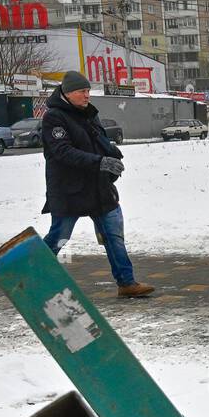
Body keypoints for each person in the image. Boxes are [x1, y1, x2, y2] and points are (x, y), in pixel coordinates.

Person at [40, 70, 153, 297]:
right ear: (68, 93)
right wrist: (100, 162)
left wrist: (111, 154)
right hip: (68, 189)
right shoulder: (54, 117)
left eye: (88, 91)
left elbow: (96, 141)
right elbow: (63, 152)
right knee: (59, 237)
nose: (87, 95)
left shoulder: (89, 113)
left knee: (113, 235)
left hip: (97, 187)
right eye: (82, 91)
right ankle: (31, 274)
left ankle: (127, 283)